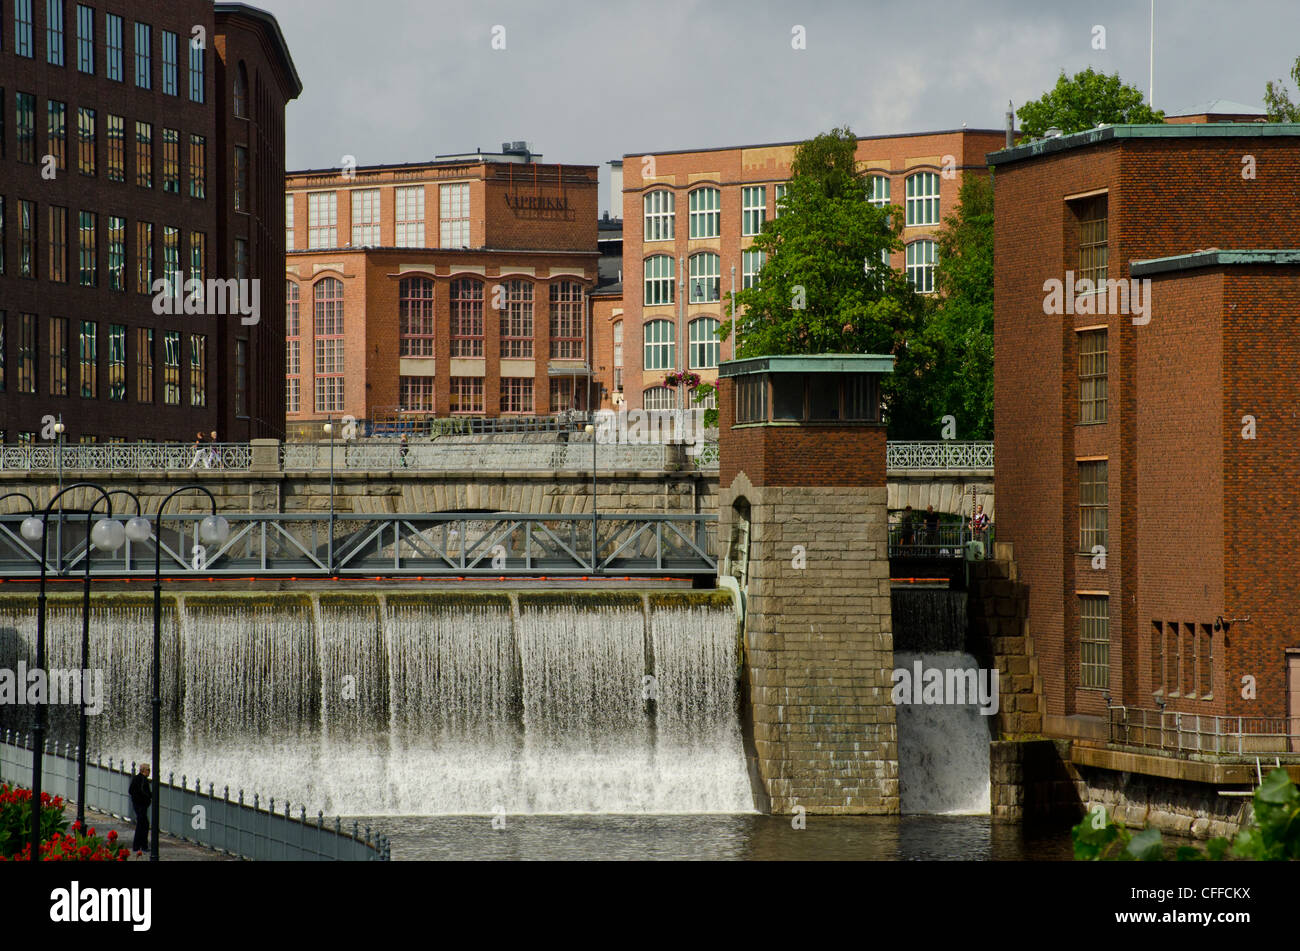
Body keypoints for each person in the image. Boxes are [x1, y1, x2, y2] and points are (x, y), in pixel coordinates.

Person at [129, 763, 152, 854]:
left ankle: (139, 845)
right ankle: (141, 845)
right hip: (141, 805)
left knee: (142, 824)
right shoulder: (142, 780)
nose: (149, 772)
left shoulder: (137, 778)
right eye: (148, 770)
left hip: (138, 805)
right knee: (143, 824)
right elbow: (143, 792)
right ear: (143, 770)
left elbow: (131, 791)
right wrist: (146, 798)